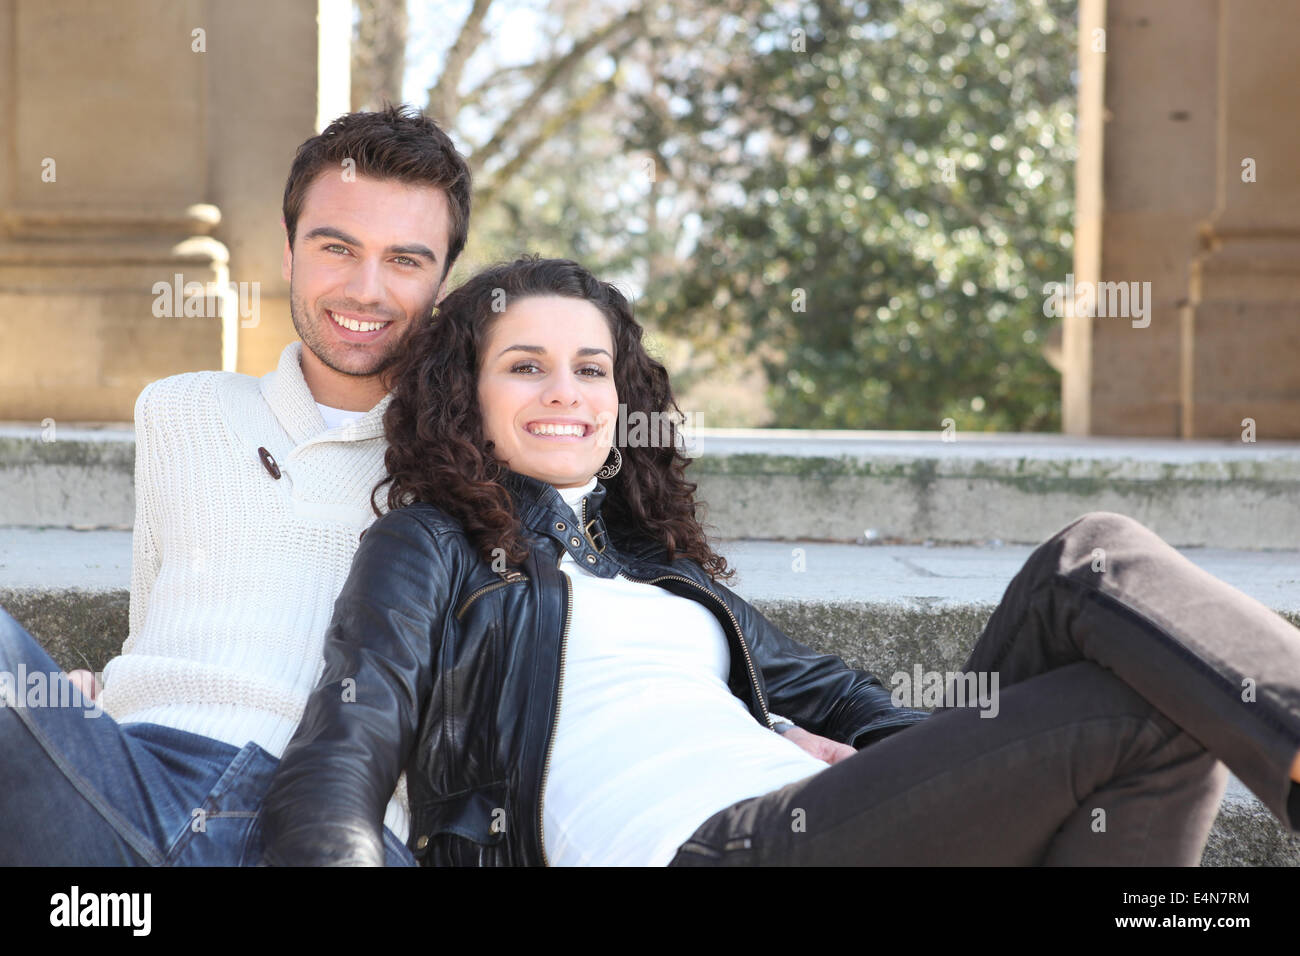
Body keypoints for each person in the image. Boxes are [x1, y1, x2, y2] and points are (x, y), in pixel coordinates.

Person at [262, 255, 1300, 866]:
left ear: (623, 400)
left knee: (1097, 562)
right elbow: (346, 740)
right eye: (524, 367)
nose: (565, 392)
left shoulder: (670, 578)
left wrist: (931, 770)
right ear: (466, 395)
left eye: (590, 368)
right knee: (1152, 707)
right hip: (714, 845)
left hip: (826, 823)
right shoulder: (431, 543)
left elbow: (861, 703)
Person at [0, 105, 471, 865]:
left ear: (444, 280)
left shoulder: (463, 462)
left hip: (326, 830)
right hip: (130, 785)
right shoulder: (181, 409)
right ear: (289, 252)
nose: (366, 289)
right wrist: (77, 717)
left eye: (406, 261)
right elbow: (157, 617)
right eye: (336, 247)